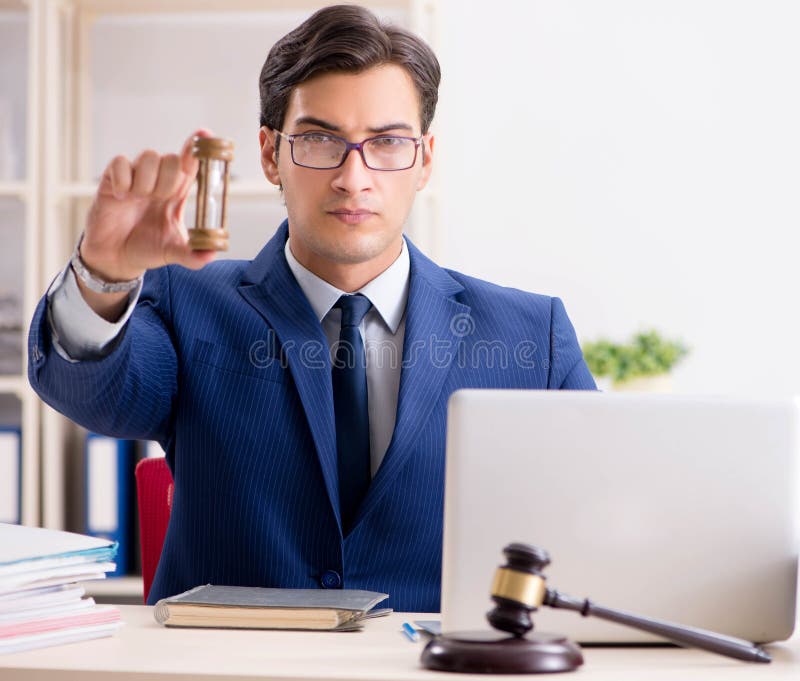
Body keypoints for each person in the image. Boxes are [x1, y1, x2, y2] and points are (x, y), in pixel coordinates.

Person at [28, 4, 595, 611]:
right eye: (321, 140)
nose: (354, 177)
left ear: (425, 158)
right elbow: (93, 394)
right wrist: (106, 272)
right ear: (271, 155)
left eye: (387, 142)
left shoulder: (534, 337)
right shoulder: (183, 302)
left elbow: (607, 515)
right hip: (234, 668)